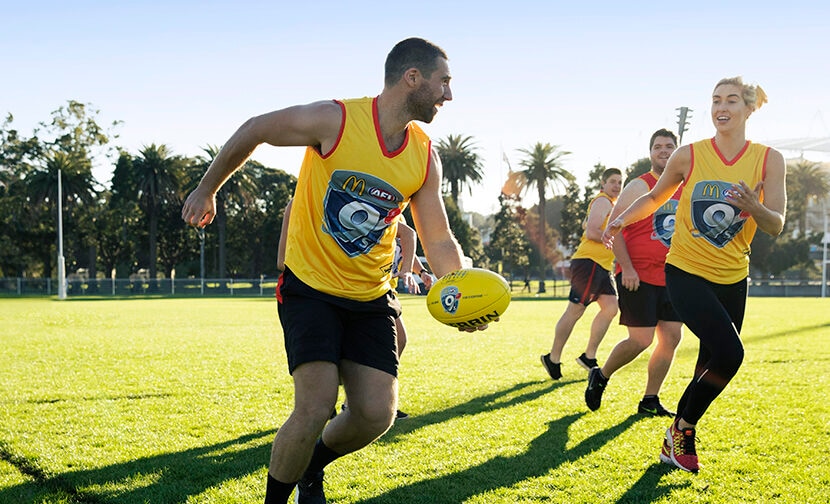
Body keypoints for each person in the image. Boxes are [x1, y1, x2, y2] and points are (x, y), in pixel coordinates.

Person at [182, 37, 489, 504]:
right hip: (310, 287)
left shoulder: (425, 154)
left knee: (376, 414)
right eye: (443, 82)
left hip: (371, 296)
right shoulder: (336, 120)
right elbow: (256, 128)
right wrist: (207, 188)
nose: (449, 94)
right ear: (412, 78)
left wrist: (459, 290)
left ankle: (312, 467)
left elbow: (439, 238)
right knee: (315, 404)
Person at [602, 77, 786, 473]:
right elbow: (655, 197)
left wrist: (754, 205)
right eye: (716, 100)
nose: (721, 107)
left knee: (711, 364)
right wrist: (619, 220)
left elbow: (776, 224)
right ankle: (683, 430)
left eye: (731, 100)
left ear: (748, 109)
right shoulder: (688, 155)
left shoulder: (770, 160)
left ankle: (677, 436)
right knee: (732, 354)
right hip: (685, 271)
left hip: (733, 277)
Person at [584, 129, 683, 417]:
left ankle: (650, 399)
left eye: (669, 146)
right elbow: (614, 228)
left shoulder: (686, 186)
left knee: (671, 338)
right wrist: (626, 267)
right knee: (641, 339)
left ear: (677, 151)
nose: (663, 151)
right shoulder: (640, 186)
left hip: (673, 275)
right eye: (658, 146)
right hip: (637, 274)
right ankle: (601, 375)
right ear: (650, 153)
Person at [541, 168, 622, 379]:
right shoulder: (603, 201)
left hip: (603, 266)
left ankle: (588, 356)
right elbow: (592, 232)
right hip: (589, 263)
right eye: (612, 181)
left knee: (611, 308)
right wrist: (618, 243)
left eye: (620, 182)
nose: (617, 185)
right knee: (575, 311)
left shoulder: (612, 205)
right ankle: (553, 358)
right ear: (603, 184)